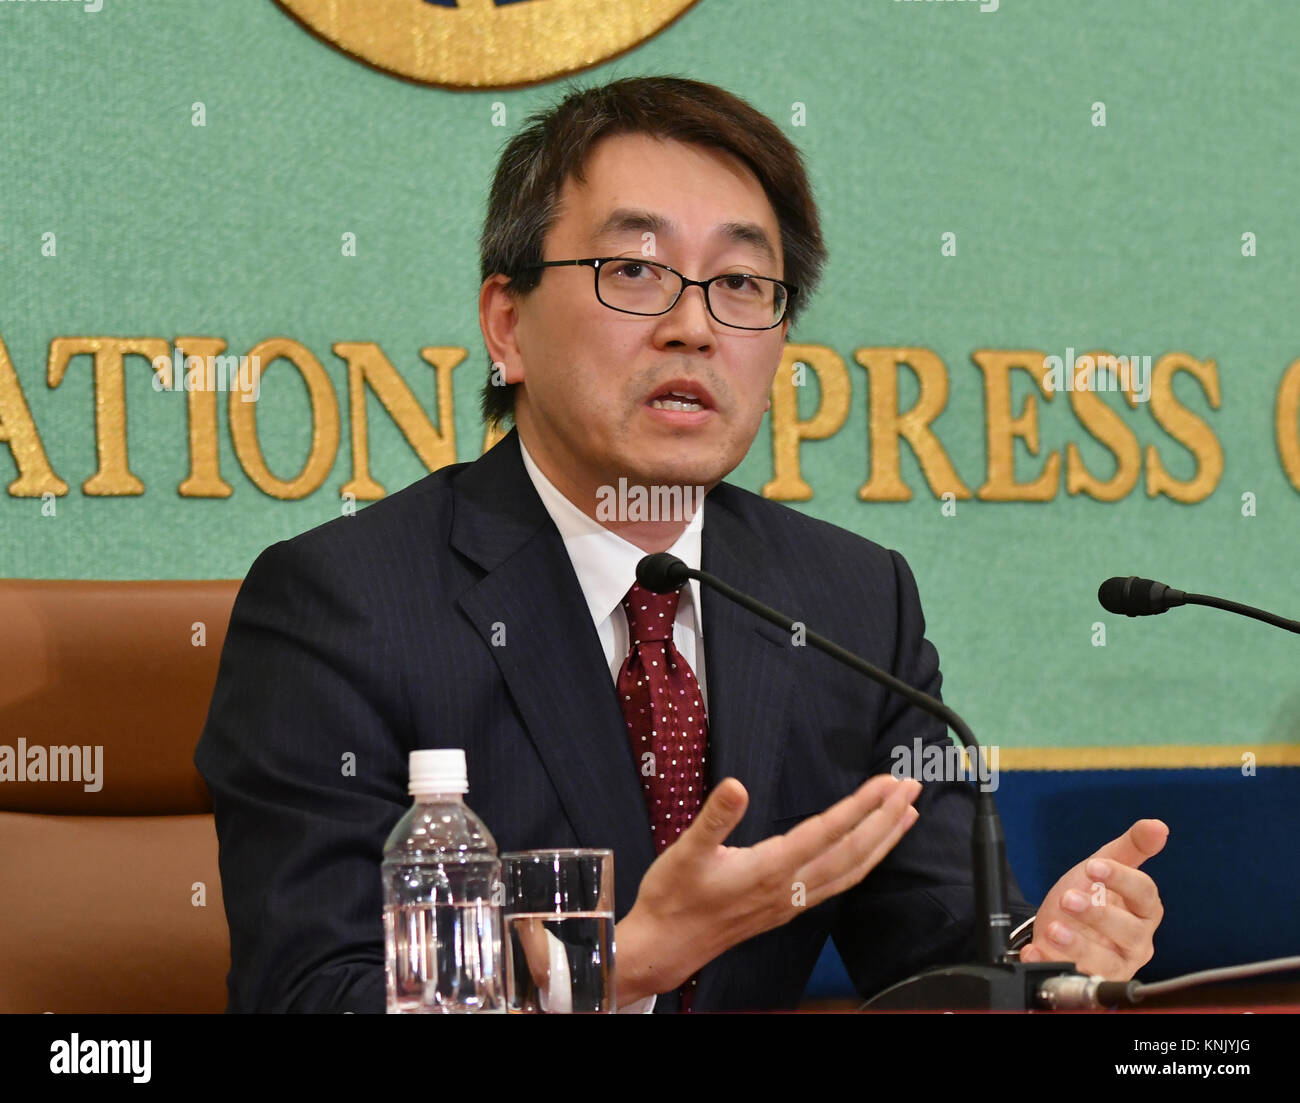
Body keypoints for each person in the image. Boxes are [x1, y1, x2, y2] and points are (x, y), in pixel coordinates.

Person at [195, 75, 1166, 1013]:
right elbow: (311, 990)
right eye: (634, 271)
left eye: (742, 282)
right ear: (507, 326)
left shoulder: (850, 601)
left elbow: (938, 952)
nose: (693, 325)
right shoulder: (345, 602)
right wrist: (614, 963)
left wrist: (1040, 957)